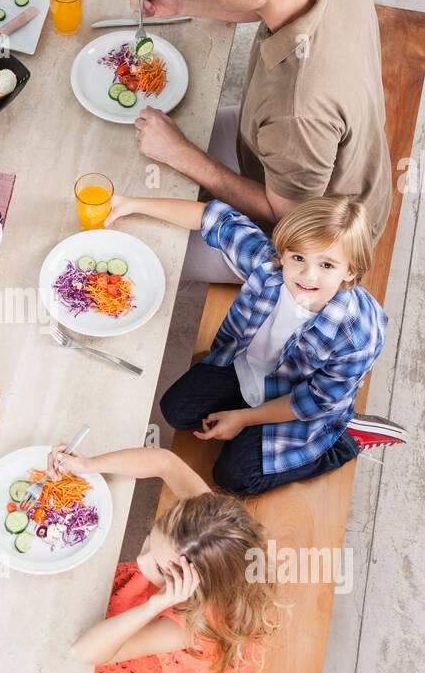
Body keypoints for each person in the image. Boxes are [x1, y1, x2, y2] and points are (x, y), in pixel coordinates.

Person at [125, 0, 391, 285]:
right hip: (297, 152)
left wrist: (181, 154)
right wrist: (179, 1)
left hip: (315, 240)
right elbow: (258, 3)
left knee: (142, 249)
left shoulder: (298, 109)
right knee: (143, 145)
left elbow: (282, 215)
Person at [105, 192, 388, 496]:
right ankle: (245, 417)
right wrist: (132, 204)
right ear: (284, 253)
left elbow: (312, 402)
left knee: (232, 478)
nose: (307, 275)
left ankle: (344, 441)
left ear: (351, 271)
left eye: (327, 265)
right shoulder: (269, 267)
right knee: (175, 411)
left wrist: (243, 418)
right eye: (298, 258)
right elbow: (212, 219)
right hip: (244, 370)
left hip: (299, 405)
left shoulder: (358, 335)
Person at [62, 445, 280, 673]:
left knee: (64, 660)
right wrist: (88, 465)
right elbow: (165, 461)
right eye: (151, 539)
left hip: (167, 654)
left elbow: (83, 653)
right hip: (170, 603)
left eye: (159, 566)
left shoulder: (187, 627)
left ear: (190, 585)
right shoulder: (208, 528)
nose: (140, 561)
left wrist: (154, 605)